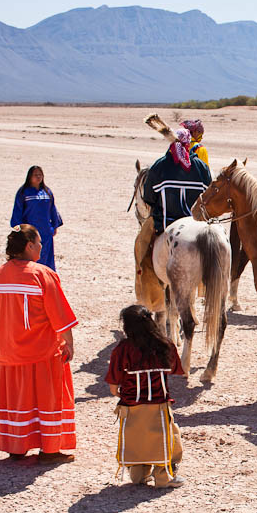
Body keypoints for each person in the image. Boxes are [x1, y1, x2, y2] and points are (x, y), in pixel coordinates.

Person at [0, 225, 78, 462]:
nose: (42, 246)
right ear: (29, 246)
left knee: (17, 399)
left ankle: (16, 447)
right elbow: (60, 316)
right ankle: (50, 449)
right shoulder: (42, 274)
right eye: (38, 242)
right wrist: (68, 344)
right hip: (42, 351)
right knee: (47, 398)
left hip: (8, 351)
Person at [106, 305, 185, 487]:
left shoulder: (122, 349)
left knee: (136, 440)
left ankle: (138, 475)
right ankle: (164, 477)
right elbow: (175, 370)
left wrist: (118, 392)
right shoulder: (165, 345)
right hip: (158, 404)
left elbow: (113, 383)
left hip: (131, 405)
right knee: (166, 439)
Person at [134, 128, 212, 303]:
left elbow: (148, 198)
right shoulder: (202, 167)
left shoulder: (160, 166)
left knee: (142, 247)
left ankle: (151, 298)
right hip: (197, 224)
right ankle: (207, 286)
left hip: (166, 223)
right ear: (188, 144)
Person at [10, 166, 63, 271]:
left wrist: (54, 227)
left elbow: (52, 209)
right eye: (35, 175)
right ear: (29, 176)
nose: (38, 177)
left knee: (47, 260)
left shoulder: (47, 192)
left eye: (40, 175)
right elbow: (17, 211)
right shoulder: (23, 192)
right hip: (30, 233)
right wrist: (19, 231)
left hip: (46, 233)